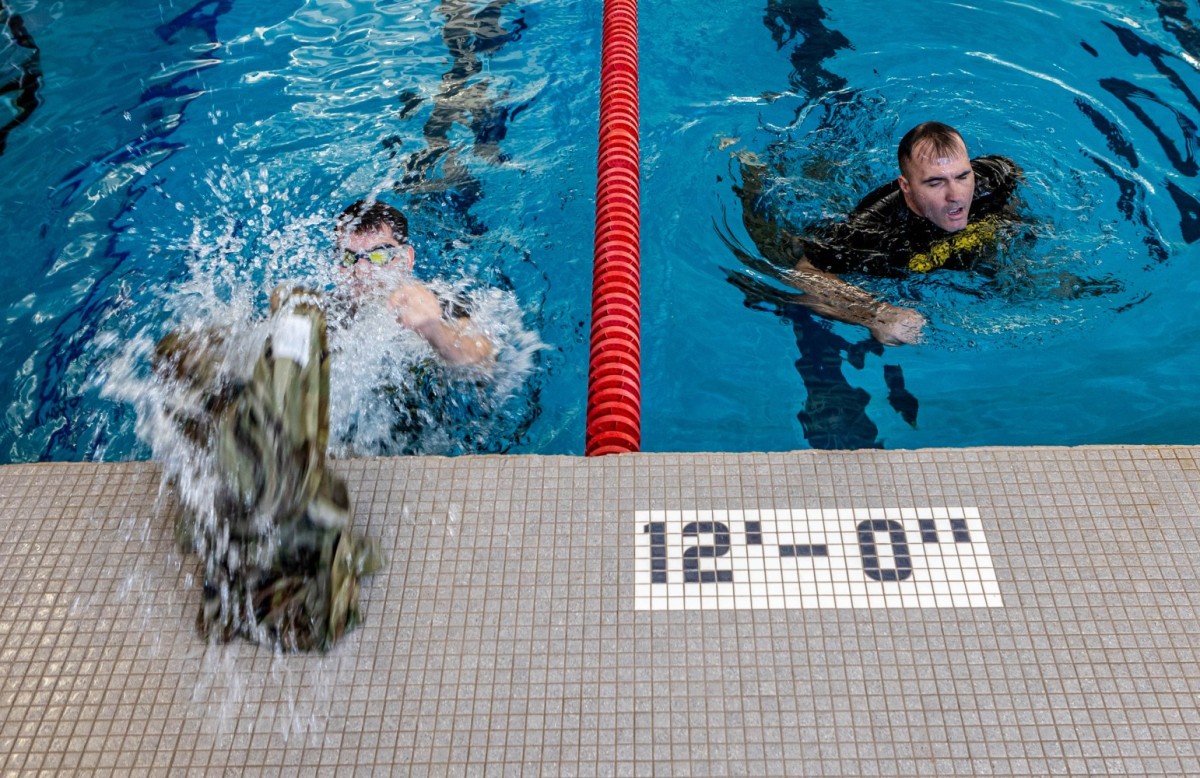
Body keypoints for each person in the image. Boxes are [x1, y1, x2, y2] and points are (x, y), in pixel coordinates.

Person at [736, 121, 1024, 345]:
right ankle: (750, 167)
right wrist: (877, 314)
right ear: (906, 186)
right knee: (772, 235)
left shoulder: (992, 180)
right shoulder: (873, 230)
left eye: (962, 176)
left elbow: (1013, 188)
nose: (956, 195)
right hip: (809, 225)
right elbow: (806, 275)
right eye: (934, 183)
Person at [331, 199, 496, 368]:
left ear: (407, 259)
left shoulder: (438, 302)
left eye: (379, 255)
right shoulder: (330, 312)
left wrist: (432, 329)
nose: (360, 270)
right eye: (347, 257)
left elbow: (482, 359)